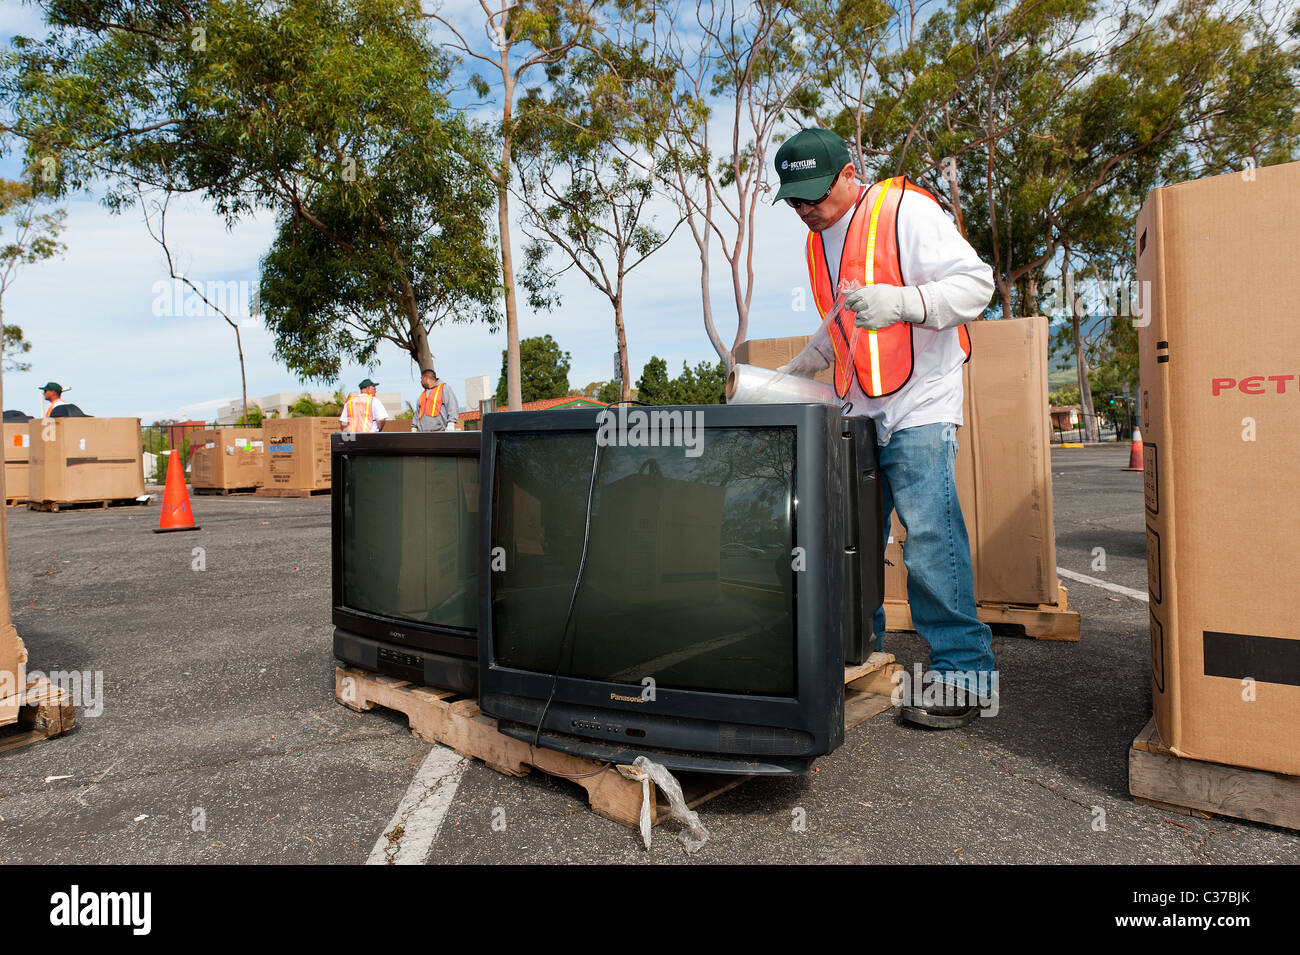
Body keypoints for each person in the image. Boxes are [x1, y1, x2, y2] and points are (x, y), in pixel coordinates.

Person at [773, 127, 996, 729]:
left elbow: (977, 285)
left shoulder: (905, 210)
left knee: (928, 535)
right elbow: (842, 322)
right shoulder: (819, 239)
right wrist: (802, 364)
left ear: (850, 173)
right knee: (852, 539)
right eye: (793, 200)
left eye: (813, 195)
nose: (804, 210)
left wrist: (905, 303)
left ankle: (964, 675)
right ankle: (858, 658)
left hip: (922, 400)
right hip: (861, 407)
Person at [413, 367, 460, 433]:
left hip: (440, 432)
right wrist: (414, 427)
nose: (420, 381)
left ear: (426, 378)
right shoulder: (423, 395)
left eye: (421, 379)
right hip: (423, 434)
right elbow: (417, 413)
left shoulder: (444, 388)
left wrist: (451, 423)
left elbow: (452, 406)